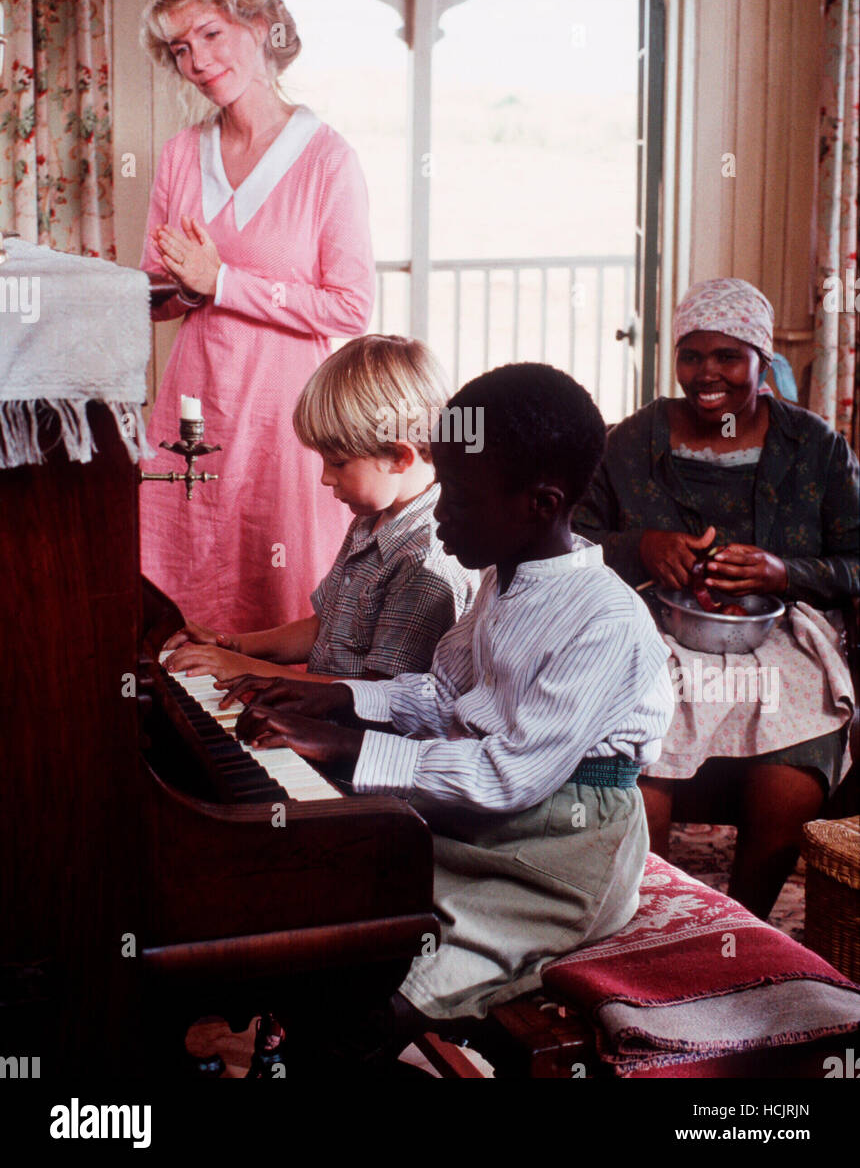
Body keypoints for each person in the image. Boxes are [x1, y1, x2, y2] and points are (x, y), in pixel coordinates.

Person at [224, 363, 674, 1050]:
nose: (438, 513)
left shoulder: (604, 617)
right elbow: (438, 695)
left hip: (561, 854)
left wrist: (344, 745)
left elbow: (508, 774)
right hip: (487, 822)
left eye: (459, 497)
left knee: (390, 996)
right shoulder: (504, 578)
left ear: (541, 504)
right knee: (332, 910)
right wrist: (331, 699)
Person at [572, 277, 859, 919]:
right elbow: (570, 540)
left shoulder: (816, 449)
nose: (708, 374)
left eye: (728, 356)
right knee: (642, 745)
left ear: (761, 360)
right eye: (691, 355)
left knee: (790, 770)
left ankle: (745, 925)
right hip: (656, 632)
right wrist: (639, 546)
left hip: (783, 638)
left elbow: (856, 562)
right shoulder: (630, 442)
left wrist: (784, 571)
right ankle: (656, 916)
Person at [139, 0, 375, 632]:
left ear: (263, 29)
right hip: (195, 401)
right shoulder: (182, 154)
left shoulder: (328, 158)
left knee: (280, 586)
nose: (197, 60)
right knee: (187, 579)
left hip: (284, 410)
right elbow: (158, 297)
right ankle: (190, 725)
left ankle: (278, 729)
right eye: (181, 49)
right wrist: (184, 290)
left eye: (211, 35)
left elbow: (350, 307)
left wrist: (225, 283)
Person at [161, 334, 476, 684]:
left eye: (338, 463)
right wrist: (232, 645)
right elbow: (322, 630)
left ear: (400, 457)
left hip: (357, 735)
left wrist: (246, 670)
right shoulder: (370, 521)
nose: (325, 478)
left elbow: (379, 698)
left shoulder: (424, 561)